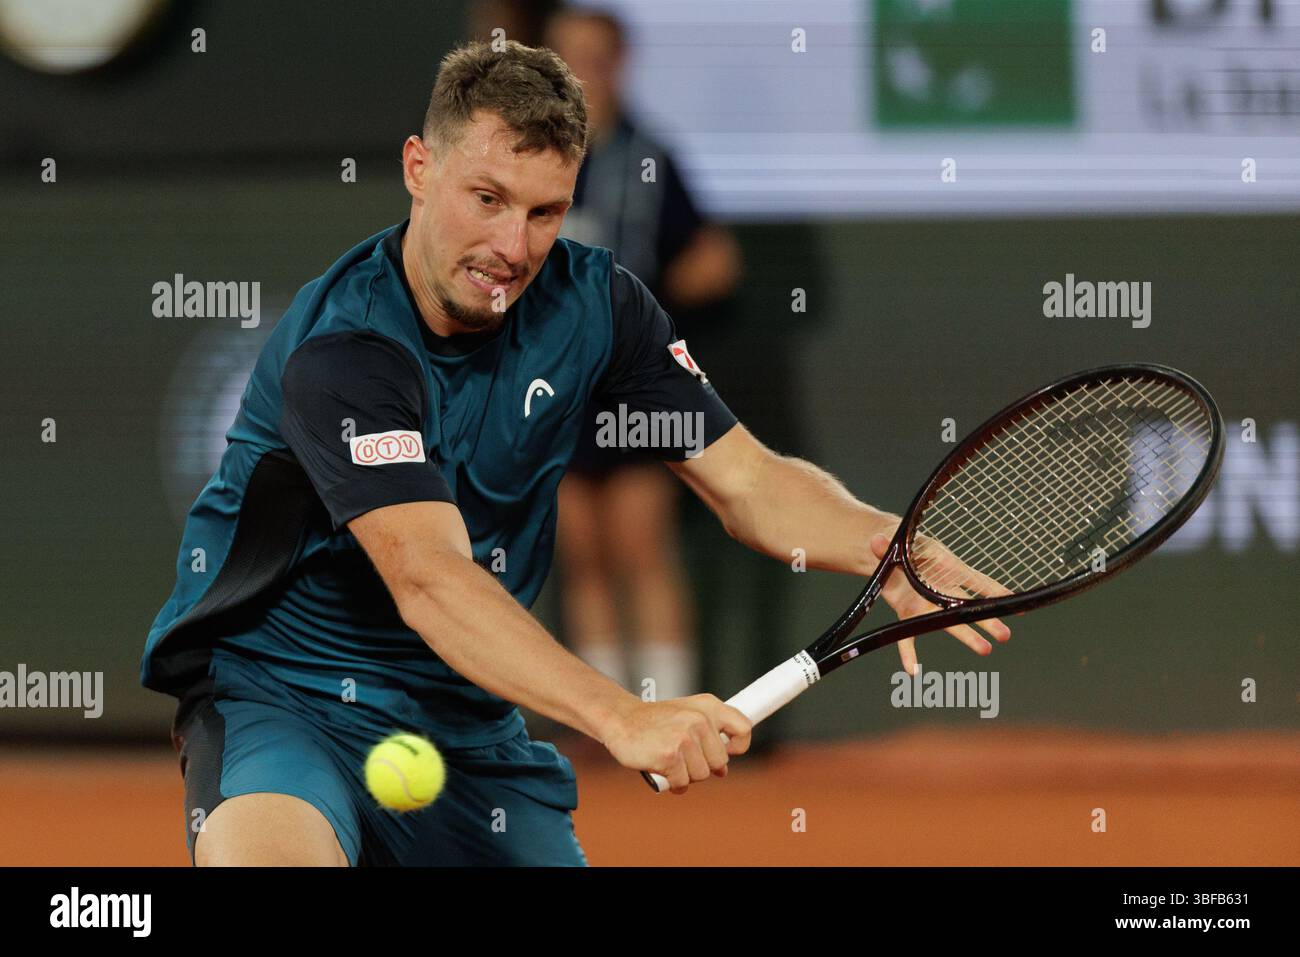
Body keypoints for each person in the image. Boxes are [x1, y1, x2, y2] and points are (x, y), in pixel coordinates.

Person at [141, 40, 1009, 867]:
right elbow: (428, 577)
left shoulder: (600, 307)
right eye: (487, 198)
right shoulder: (345, 351)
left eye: (544, 210)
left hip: (462, 718)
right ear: (418, 167)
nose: (513, 250)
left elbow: (746, 481)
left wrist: (880, 544)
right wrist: (621, 715)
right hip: (283, 697)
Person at [544, 7, 742, 701]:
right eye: (569, 57)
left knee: (639, 546)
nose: (584, 73)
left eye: (596, 58)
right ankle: (609, 718)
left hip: (634, 381)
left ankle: (671, 708)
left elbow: (716, 262)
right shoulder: (531, 154)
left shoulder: (651, 156)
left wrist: (641, 297)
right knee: (582, 555)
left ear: (621, 63)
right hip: (552, 383)